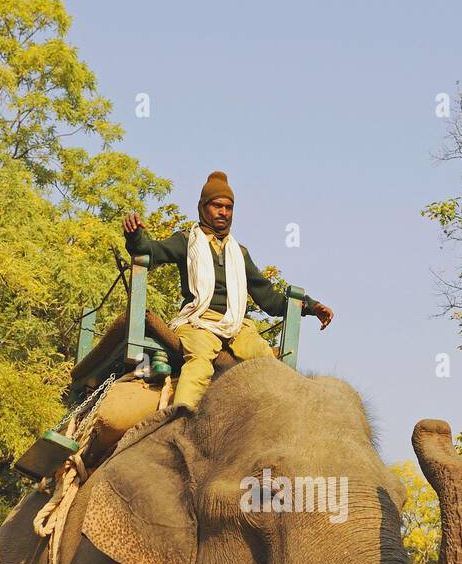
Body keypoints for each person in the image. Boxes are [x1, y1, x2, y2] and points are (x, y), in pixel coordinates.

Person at [122, 171, 333, 412]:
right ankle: (179, 420)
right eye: (217, 206)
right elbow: (151, 252)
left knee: (268, 362)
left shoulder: (239, 253)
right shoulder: (185, 241)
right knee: (199, 365)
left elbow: (270, 299)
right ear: (203, 207)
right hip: (199, 322)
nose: (223, 212)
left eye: (229, 207)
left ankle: (281, 416)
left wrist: (310, 306)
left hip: (235, 326)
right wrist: (135, 235)